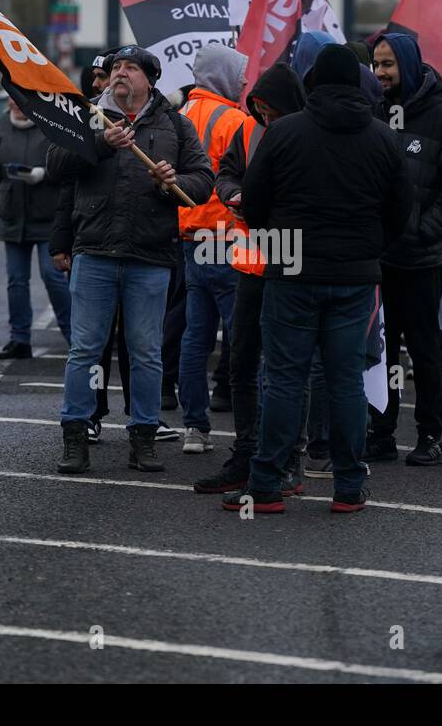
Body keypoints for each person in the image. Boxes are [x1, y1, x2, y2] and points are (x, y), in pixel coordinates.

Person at [227, 44, 412, 514]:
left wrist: (275, 241)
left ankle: (267, 483)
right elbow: (400, 212)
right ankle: (349, 486)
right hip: (355, 277)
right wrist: (372, 249)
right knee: (346, 380)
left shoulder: (285, 132)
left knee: (286, 379)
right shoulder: (382, 138)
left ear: (312, 82)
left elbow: (253, 200)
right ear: (356, 83)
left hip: (291, 270)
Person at [47, 45, 213, 474]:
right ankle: (75, 434)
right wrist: (100, 144)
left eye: (130, 68)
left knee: (146, 352)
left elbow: (203, 182)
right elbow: (55, 166)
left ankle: (143, 438)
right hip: (95, 251)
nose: (119, 73)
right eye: (115, 67)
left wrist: (171, 182)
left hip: (150, 255)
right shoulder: (88, 117)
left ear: (150, 80)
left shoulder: (176, 126)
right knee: (84, 350)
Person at [193, 61, 306, 494]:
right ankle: (246, 453)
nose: (264, 117)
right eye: (258, 109)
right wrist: (231, 194)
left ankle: (289, 457)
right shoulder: (248, 129)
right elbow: (225, 172)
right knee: (240, 361)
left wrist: (260, 203)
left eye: (270, 110)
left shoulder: (302, 133)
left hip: (286, 258)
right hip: (249, 260)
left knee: (286, 366)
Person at [368, 32, 442, 468]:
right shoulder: (372, 113)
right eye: (375, 64)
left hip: (422, 259)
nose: (380, 73)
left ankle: (430, 436)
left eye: (388, 64)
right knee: (382, 349)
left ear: (407, 64)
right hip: (377, 257)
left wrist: (425, 230)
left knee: (426, 351)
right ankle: (382, 432)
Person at [176, 43, 253, 453]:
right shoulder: (237, 120)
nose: (243, 80)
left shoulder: (178, 116)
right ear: (223, 74)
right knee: (240, 339)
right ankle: (248, 432)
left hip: (189, 238)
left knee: (195, 337)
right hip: (228, 238)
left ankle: (194, 427)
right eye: (239, 73)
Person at [0, 101, 70, 358]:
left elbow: (66, 163)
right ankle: (19, 339)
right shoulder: (2, 123)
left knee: (52, 276)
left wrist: (43, 173)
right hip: (14, 214)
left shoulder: (50, 123)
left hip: (47, 215)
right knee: (16, 280)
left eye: (21, 99)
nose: (16, 105)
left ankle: (75, 336)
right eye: (13, 100)